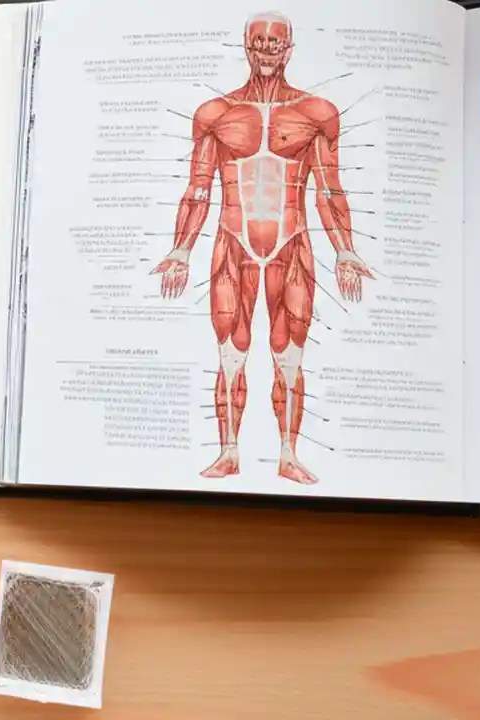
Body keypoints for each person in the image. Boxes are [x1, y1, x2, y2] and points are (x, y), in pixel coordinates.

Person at [152, 11, 372, 485]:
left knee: (289, 355)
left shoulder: (317, 114)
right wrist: (181, 250)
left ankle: (288, 455)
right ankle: (229, 452)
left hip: (292, 247)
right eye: (260, 43)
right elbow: (198, 188)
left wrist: (346, 251)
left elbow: (329, 190)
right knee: (231, 352)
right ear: (246, 47)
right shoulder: (216, 114)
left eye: (277, 44)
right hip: (233, 245)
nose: (268, 52)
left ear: (290, 49)